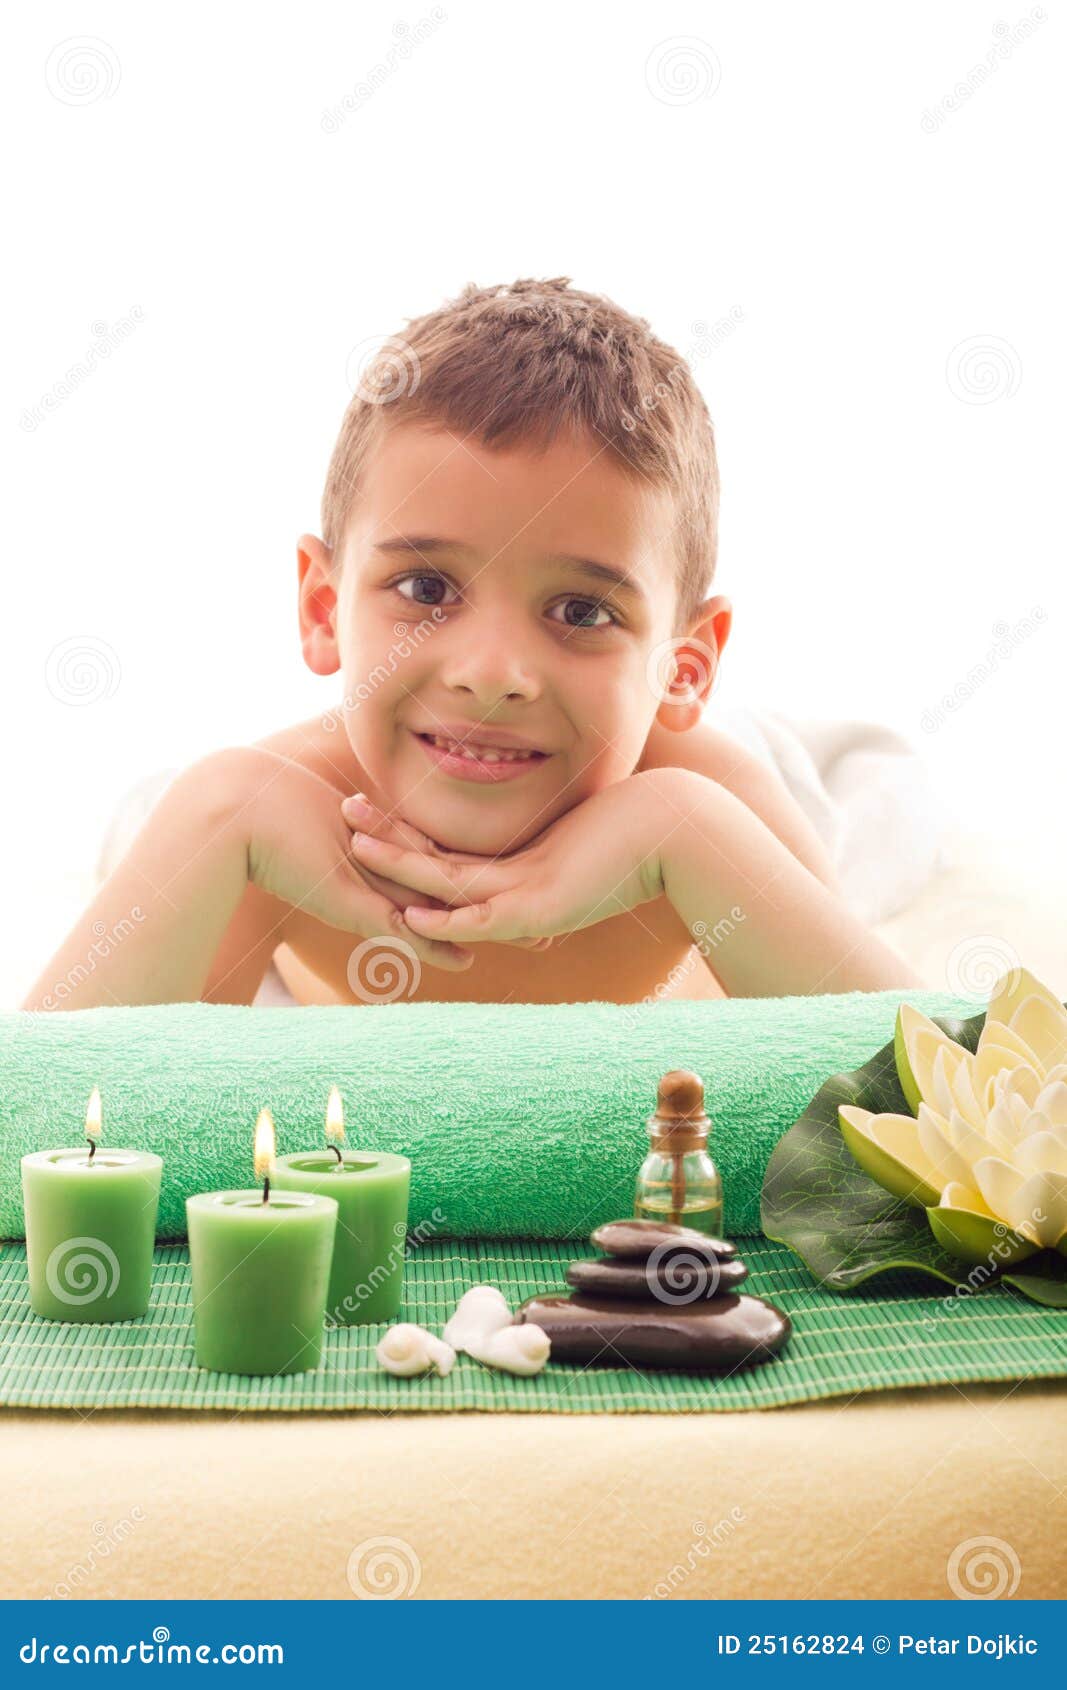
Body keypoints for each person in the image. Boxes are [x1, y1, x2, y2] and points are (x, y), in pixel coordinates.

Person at [22, 277, 918, 1012]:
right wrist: (215, 810)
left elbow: (950, 1112)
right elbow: (52, 1133)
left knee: (883, 806)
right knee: (154, 829)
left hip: (745, 756)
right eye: (425, 589)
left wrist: (679, 834)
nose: (492, 676)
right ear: (323, 607)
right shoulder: (266, 832)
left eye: (580, 611)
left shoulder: (710, 807)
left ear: (685, 667)